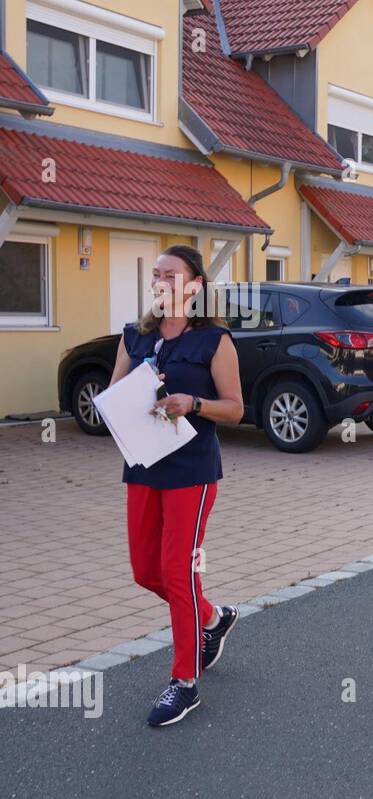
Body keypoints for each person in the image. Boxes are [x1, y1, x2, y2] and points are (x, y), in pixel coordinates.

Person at [108, 245, 244, 727]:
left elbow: (235, 408)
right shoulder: (135, 336)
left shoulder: (214, 341)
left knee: (177, 571)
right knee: (147, 571)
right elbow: (112, 398)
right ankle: (212, 618)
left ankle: (184, 684)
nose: (161, 281)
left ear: (195, 286)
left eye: (172, 274)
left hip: (191, 472)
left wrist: (194, 402)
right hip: (143, 466)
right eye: (157, 274)